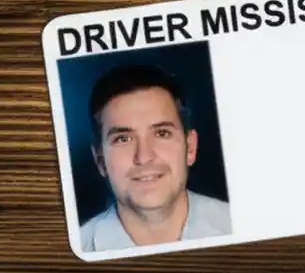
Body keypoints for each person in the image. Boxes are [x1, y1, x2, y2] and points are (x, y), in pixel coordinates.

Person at [79, 63, 231, 251]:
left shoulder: (239, 223)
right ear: (100, 161)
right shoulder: (76, 250)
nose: (144, 157)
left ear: (190, 148)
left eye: (162, 134)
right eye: (123, 139)